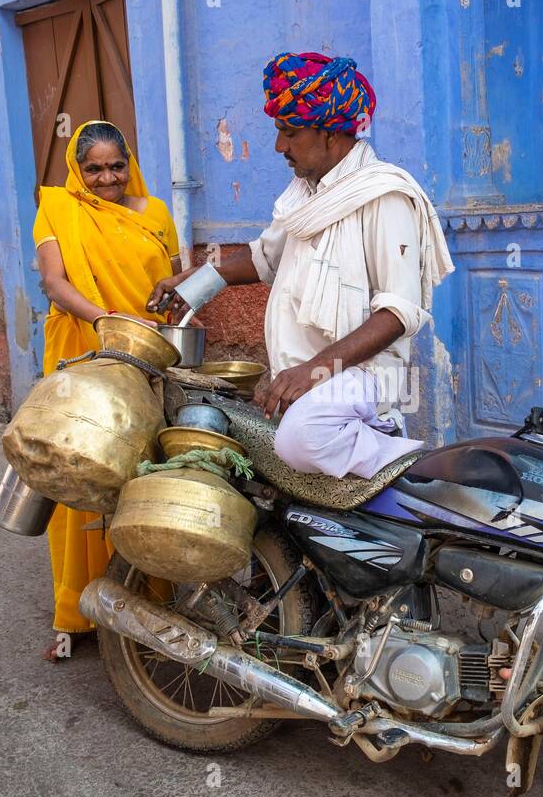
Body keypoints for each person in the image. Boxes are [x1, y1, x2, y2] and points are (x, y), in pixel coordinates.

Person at [148, 52, 452, 479]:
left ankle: (417, 471)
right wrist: (196, 282)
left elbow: (399, 313)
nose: (279, 147)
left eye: (289, 132)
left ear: (331, 134)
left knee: (298, 440)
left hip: (361, 377)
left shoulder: (383, 196)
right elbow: (264, 256)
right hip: (308, 380)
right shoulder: (306, 192)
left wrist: (315, 370)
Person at [33, 120, 180, 661]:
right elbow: (55, 283)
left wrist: (162, 319)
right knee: (79, 473)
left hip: (146, 357)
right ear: (77, 170)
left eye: (116, 166)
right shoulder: (57, 209)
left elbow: (175, 280)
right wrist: (108, 323)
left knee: (143, 475)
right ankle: (74, 616)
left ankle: (149, 603)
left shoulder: (156, 214)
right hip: (85, 349)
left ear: (129, 165)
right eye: (93, 168)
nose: (106, 178)